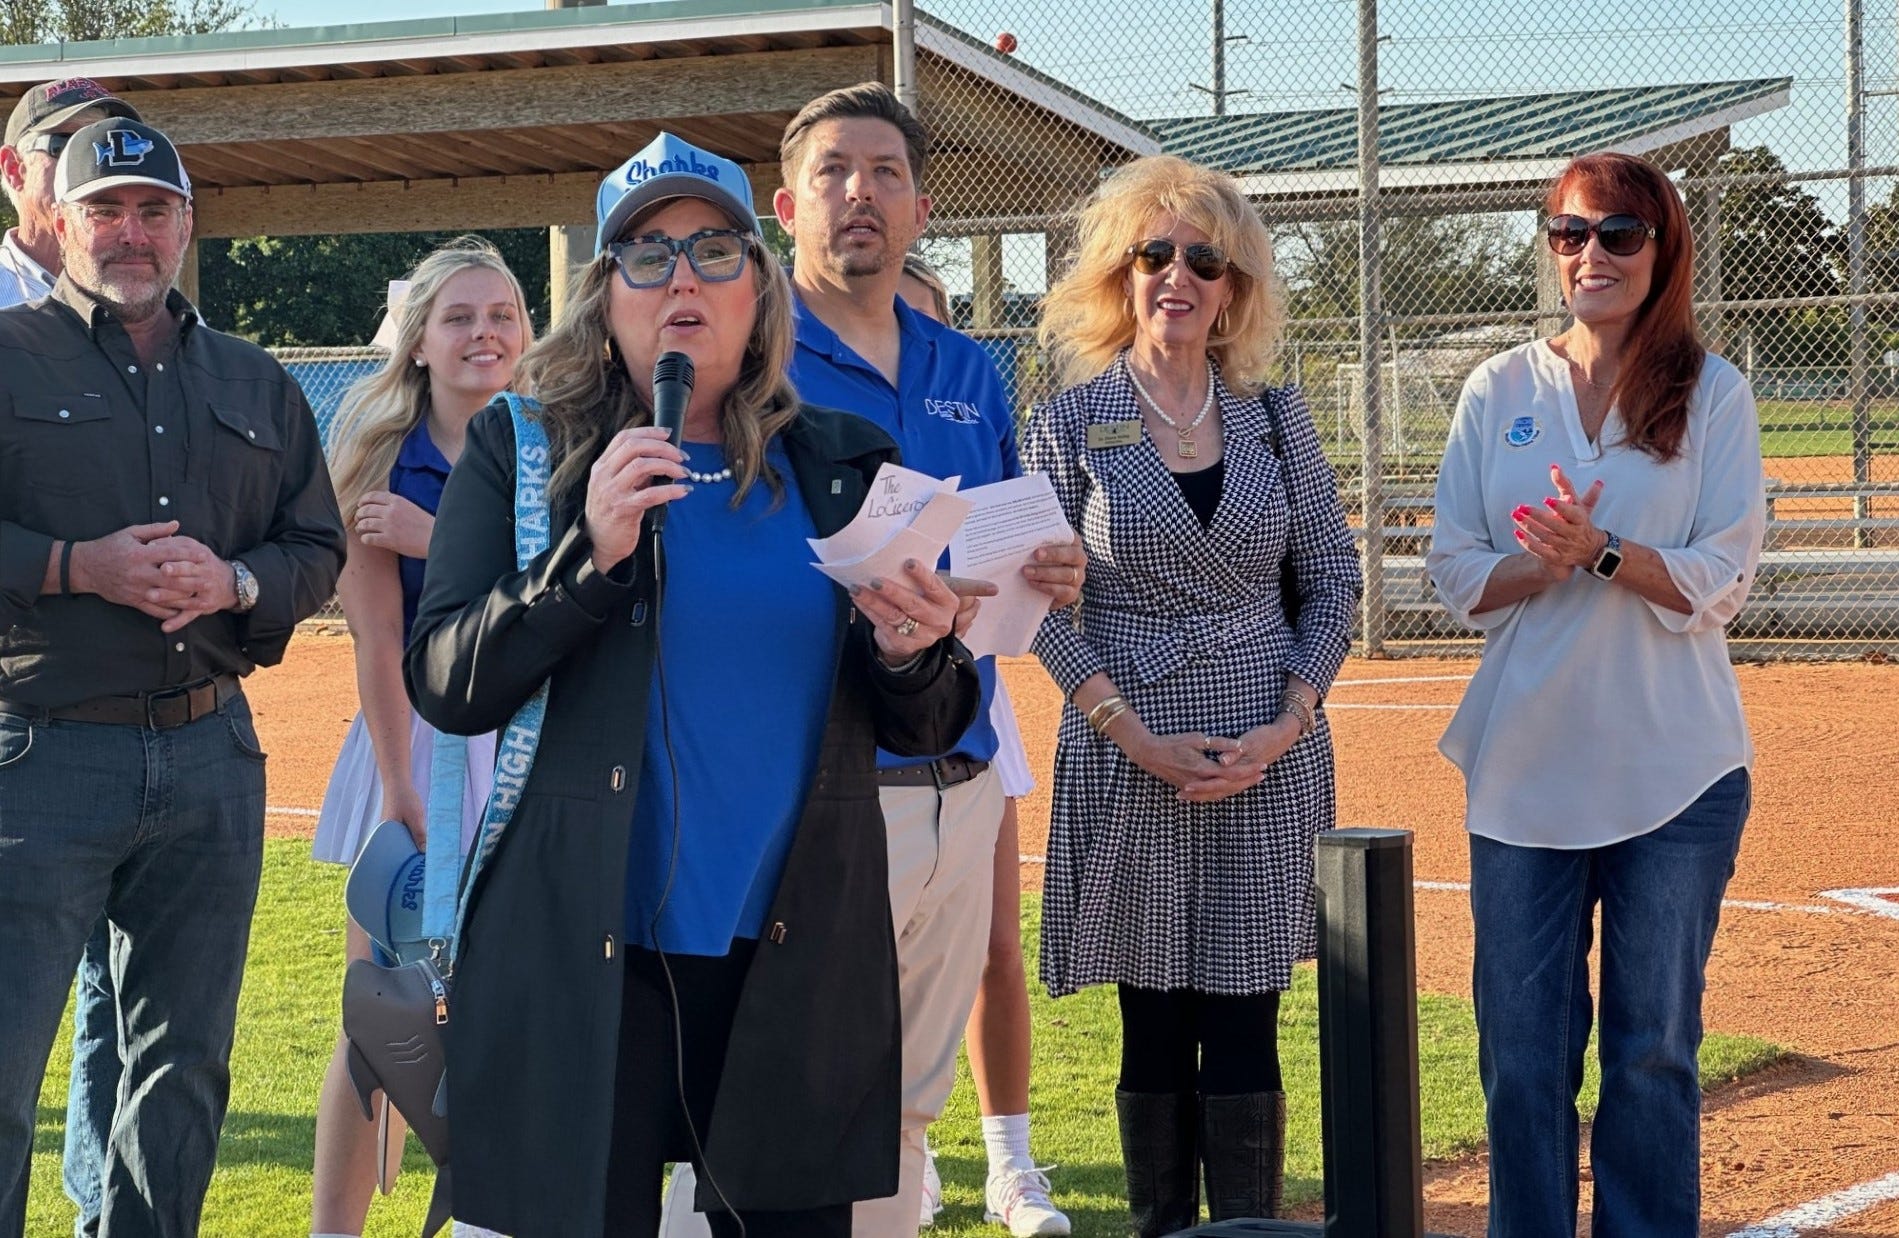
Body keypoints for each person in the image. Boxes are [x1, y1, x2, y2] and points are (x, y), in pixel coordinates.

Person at [403, 131, 979, 1238]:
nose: (682, 281)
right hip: (589, 951)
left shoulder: (843, 456)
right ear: (603, 294)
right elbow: (447, 678)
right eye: (647, 254)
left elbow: (932, 714)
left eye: (716, 252)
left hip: (792, 949)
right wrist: (590, 556)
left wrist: (915, 651)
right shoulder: (523, 450)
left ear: (760, 288)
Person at [0, 117, 346, 1237]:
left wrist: (238, 584)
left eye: (154, 210)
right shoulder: (6, 358)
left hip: (210, 757)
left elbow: (317, 547)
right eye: (106, 209)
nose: (132, 232)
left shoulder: (255, 380)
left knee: (182, 1070)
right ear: (57, 220)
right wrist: (73, 565)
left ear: (187, 224)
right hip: (41, 753)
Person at [1427, 151, 1765, 1237]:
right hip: (1524, 774)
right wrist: (1551, 560)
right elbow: (1457, 572)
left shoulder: (1712, 392)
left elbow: (1723, 575)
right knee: (1521, 1056)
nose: (1591, 253)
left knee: (1653, 1048)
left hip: (1677, 774)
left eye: (1618, 232)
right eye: (1569, 232)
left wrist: (1606, 550)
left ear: (1662, 249)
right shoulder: (1499, 388)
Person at [1025, 154, 1360, 1233]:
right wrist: (1129, 729)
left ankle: (1246, 1229)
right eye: (1154, 254)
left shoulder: (1275, 417)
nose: (1179, 277)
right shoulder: (1068, 424)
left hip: (1268, 750)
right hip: (1132, 750)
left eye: (1204, 259)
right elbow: (1033, 604)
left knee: (1248, 1016)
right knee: (1155, 1021)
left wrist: (1287, 720)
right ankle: (1166, 1227)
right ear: (1118, 275)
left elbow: (1334, 578)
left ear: (1234, 288)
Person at [773, 83, 1084, 1238]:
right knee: (783, 1095)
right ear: (786, 203)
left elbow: (1003, 534)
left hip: (961, 765)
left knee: (908, 1103)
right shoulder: (754, 363)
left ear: (922, 207)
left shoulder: (969, 368)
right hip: (817, 780)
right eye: (835, 172)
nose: (861, 194)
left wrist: (1050, 566)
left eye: (887, 173)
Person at [307, 239, 532, 1238]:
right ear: (420, 344)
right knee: (381, 1020)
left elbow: (560, 598)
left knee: (518, 1015)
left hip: (531, 752)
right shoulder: (378, 461)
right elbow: (380, 641)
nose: (484, 333)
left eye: (503, 316)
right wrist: (398, 791)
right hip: (415, 749)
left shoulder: (555, 444)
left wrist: (432, 536)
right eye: (460, 317)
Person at [0, 76, 152, 1238]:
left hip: (138, 723)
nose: (95, 166)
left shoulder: (137, 314)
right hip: (18, 721)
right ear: (20, 175)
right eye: (67, 147)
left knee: (127, 1016)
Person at [897, 251, 1070, 1236]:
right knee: (875, 954)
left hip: (976, 702)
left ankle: (1012, 1163)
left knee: (997, 944)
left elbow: (1018, 543)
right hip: (867, 716)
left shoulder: (971, 400)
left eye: (928, 323)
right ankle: (906, 1155)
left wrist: (1051, 564)